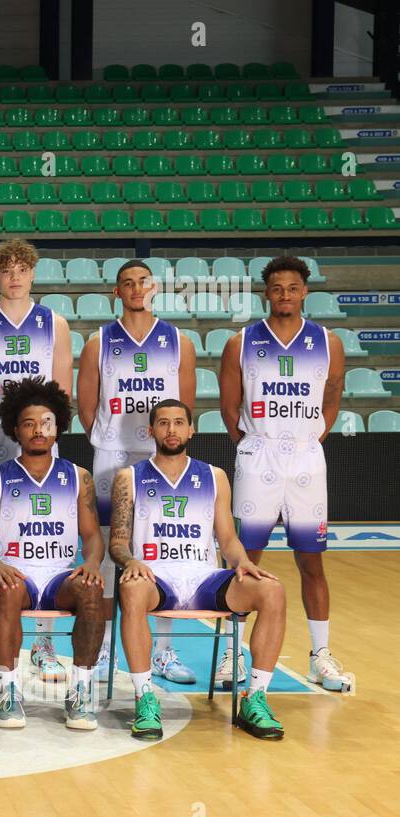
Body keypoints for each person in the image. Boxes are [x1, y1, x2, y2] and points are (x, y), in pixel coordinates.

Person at [109, 400, 287, 740]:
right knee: (130, 589)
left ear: (192, 429)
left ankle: (255, 698)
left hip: (203, 575)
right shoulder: (128, 478)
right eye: (163, 423)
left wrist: (243, 561)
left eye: (179, 423)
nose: (171, 430)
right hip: (156, 574)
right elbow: (117, 541)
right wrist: (130, 560)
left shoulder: (214, 476)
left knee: (272, 590)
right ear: (151, 431)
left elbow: (228, 539)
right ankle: (145, 697)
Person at [219, 255, 351, 692]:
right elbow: (228, 404)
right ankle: (231, 655)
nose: (285, 295)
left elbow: (331, 395)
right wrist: (250, 446)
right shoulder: (240, 342)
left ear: (304, 293)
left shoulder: (328, 342)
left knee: (311, 561)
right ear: (266, 293)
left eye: (293, 288)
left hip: (306, 460)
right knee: (245, 560)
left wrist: (315, 436)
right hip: (259, 455)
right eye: (277, 288)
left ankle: (321, 655)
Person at [0, 240, 74, 689]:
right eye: (7, 269)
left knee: (45, 537)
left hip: (40, 438)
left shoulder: (54, 324)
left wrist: (41, 428)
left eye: (23, 268)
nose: (15, 276)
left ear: (33, 273)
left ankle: (43, 643)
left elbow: (60, 390)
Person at [78, 259, 199, 685]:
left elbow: (184, 406)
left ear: (153, 290)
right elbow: (87, 405)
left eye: (142, 283)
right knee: (115, 544)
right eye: (127, 283)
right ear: (117, 292)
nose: (135, 290)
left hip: (158, 453)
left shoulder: (179, 341)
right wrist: (108, 437)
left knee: (159, 543)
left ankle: (162, 649)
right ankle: (109, 640)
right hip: (113, 451)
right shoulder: (99, 341)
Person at [0, 378, 106, 730]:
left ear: (58, 426)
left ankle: (80, 692)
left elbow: (92, 537)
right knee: (7, 587)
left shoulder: (79, 477)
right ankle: (7, 692)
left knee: (92, 591)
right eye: (29, 423)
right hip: (15, 571)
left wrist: (91, 563)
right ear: (15, 429)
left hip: (61, 573)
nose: (38, 430)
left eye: (46, 422)